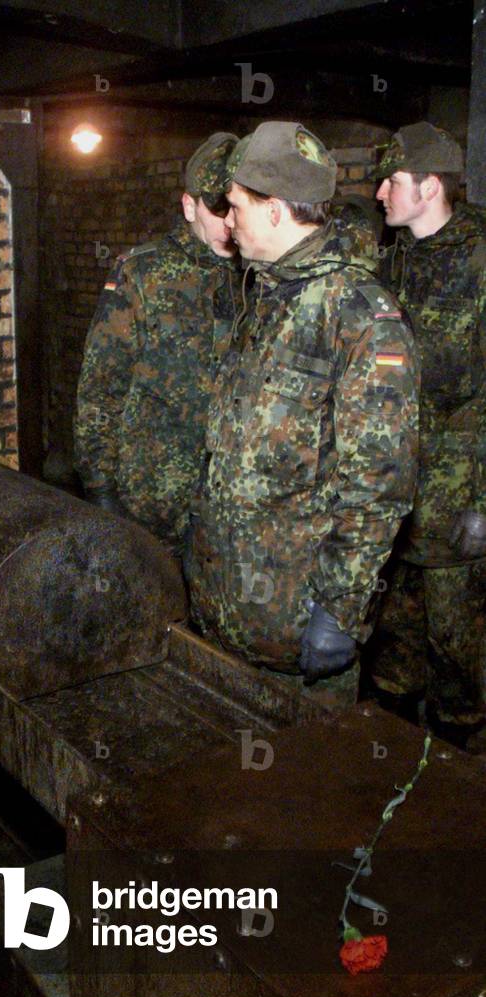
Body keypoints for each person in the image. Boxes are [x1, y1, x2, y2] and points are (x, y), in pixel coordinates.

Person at [185, 122, 420, 710]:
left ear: (273, 210)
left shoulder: (359, 316)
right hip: (225, 612)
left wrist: (338, 612)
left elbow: (378, 486)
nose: (227, 219)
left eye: (236, 205)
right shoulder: (264, 295)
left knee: (307, 771)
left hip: (293, 627)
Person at [369, 121, 486, 744]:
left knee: (456, 644)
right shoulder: (393, 260)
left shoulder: (480, 257)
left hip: (458, 496)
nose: (380, 193)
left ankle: (457, 760)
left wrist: (483, 505)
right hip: (397, 488)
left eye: (392, 180)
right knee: (394, 633)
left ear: (431, 186)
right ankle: (388, 755)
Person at [73, 132, 240, 550]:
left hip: (228, 510)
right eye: (216, 210)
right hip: (150, 505)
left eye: (235, 207)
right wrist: (100, 488)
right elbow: (101, 387)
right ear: (189, 206)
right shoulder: (141, 273)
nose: (227, 223)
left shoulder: (258, 278)